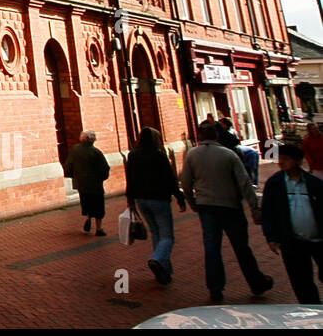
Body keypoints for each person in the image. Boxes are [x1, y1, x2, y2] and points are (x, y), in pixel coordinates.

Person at [180, 120, 273, 304]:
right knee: (241, 247)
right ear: (216, 135)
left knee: (212, 248)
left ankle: (215, 289)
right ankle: (256, 283)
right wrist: (254, 207)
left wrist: (192, 202)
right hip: (230, 206)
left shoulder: (192, 155)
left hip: (206, 207)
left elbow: (186, 182)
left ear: (200, 136)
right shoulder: (228, 155)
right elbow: (245, 183)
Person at [259, 143, 323, 303]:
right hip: (292, 241)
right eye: (279, 158)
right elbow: (268, 212)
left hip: (319, 240)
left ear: (298, 161)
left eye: (286, 159)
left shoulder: (314, 183)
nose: (281, 162)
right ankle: (312, 313)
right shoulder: (275, 184)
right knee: (301, 282)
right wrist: (271, 237)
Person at [125, 127, 187, 284]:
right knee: (167, 236)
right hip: (159, 199)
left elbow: (130, 178)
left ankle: (164, 271)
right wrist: (179, 197)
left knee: (156, 233)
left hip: (141, 199)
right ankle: (157, 259)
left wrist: (130, 200)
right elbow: (170, 178)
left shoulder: (133, 155)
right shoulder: (159, 156)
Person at [64, 130, 110, 236]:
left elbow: (68, 166)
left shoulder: (74, 150)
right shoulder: (96, 152)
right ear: (92, 140)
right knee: (98, 206)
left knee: (86, 202)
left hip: (81, 183)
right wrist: (102, 178)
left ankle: (88, 217)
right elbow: (104, 168)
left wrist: (74, 177)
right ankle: (99, 228)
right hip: (95, 184)